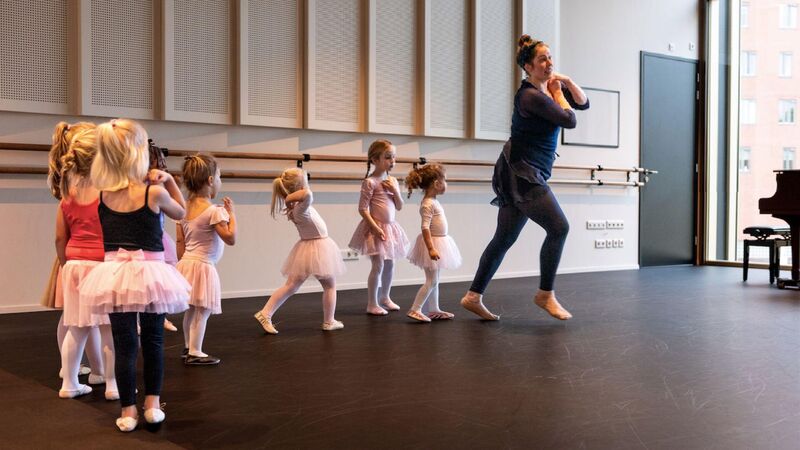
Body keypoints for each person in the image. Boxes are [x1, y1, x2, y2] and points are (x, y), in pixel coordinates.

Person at [461, 35, 589, 321]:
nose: (549, 62)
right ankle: (545, 294)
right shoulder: (531, 96)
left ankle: (473, 296)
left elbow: (583, 104)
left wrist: (565, 81)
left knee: (504, 237)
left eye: (550, 57)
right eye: (542, 59)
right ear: (528, 67)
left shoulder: (546, 92)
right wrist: (558, 92)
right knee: (559, 228)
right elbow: (569, 120)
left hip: (521, 170)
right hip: (523, 173)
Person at [79, 119, 190, 432]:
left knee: (124, 344)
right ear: (138, 154)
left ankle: (129, 409)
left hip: (115, 274)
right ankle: (151, 402)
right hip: (151, 274)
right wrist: (169, 180)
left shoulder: (101, 195)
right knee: (153, 340)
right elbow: (182, 214)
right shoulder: (153, 192)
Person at [54, 127, 118, 400]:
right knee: (109, 329)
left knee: (76, 327)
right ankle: (113, 385)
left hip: (74, 264)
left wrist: (64, 263)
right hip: (102, 264)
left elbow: (59, 237)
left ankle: (69, 383)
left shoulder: (67, 193)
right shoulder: (108, 192)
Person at [45, 121, 103, 383]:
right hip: (85, 259)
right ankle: (99, 371)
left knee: (73, 317)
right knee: (82, 320)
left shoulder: (68, 187)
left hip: (70, 257)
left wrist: (64, 261)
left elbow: (60, 236)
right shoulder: (97, 189)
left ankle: (70, 367)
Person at [255, 168, 345, 334]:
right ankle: (329, 321)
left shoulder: (297, 207)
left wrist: (288, 198)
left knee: (291, 286)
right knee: (329, 286)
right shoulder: (300, 207)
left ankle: (265, 313)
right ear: (300, 186)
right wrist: (288, 197)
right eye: (305, 180)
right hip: (317, 249)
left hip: (309, 249)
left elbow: (306, 194)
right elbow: (308, 194)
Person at [176, 154, 236, 365]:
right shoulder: (214, 211)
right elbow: (230, 238)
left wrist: (180, 264)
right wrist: (232, 214)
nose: (220, 181)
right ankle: (195, 351)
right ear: (210, 180)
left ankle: (187, 346)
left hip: (186, 262)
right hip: (203, 265)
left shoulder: (183, 208)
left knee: (191, 308)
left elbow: (180, 242)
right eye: (219, 176)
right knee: (204, 309)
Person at [348, 139, 410, 315]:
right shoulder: (370, 182)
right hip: (376, 229)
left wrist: (396, 191)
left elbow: (399, 206)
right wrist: (374, 227)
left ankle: (385, 297)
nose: (392, 161)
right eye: (388, 157)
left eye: (394, 157)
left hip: (391, 228)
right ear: (375, 160)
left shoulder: (393, 181)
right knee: (378, 266)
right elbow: (362, 208)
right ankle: (372, 303)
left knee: (391, 265)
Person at [405, 163, 461, 322]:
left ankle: (434, 309)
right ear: (437, 184)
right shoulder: (428, 204)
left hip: (440, 242)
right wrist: (431, 249)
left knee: (436, 280)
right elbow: (425, 228)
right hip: (433, 244)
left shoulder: (433, 201)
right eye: (445, 180)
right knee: (432, 280)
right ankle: (415, 309)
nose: (446, 184)